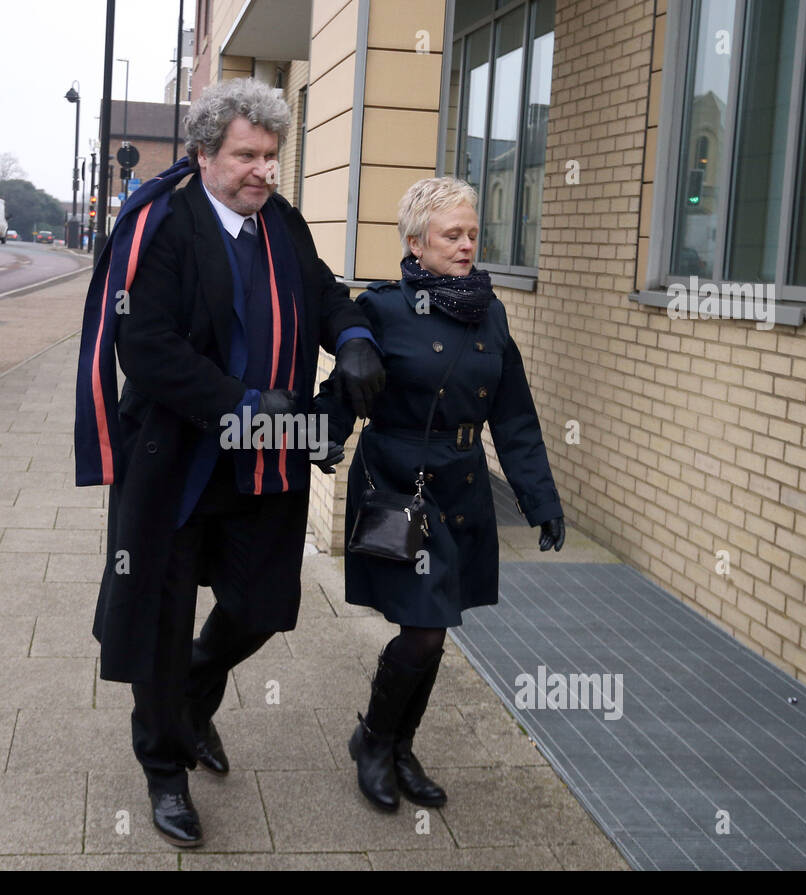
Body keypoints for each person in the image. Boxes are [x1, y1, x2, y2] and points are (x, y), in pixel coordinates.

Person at [75, 77, 386, 848]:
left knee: (260, 605)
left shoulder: (281, 223)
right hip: (178, 460)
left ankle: (190, 696)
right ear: (204, 154)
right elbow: (146, 350)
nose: (264, 170)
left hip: (265, 460)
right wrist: (241, 406)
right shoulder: (165, 226)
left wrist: (351, 339)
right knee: (161, 615)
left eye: (272, 156)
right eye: (247, 155)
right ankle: (165, 765)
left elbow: (325, 296)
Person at [317, 177, 566, 812]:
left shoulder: (492, 311)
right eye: (451, 235)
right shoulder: (383, 309)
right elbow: (351, 385)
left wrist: (540, 499)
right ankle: (373, 740)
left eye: (472, 234)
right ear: (415, 243)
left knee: (438, 626)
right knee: (425, 630)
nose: (465, 246)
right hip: (401, 480)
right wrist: (317, 437)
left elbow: (513, 415)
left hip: (462, 480)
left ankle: (399, 746)